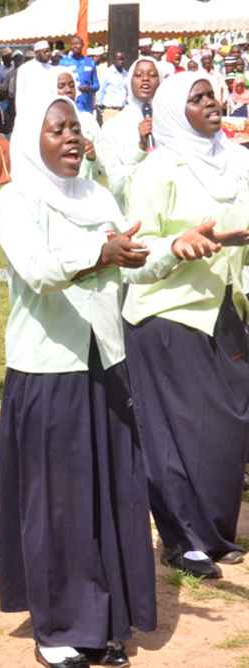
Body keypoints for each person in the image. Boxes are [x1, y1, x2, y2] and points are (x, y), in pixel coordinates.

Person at [0, 92, 168, 668]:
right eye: (56, 129)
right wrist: (100, 252)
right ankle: (59, 627)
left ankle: (103, 618)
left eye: (75, 127)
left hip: (105, 361)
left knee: (110, 493)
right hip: (49, 370)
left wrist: (178, 249)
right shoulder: (14, 201)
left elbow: (132, 257)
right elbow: (40, 271)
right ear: (31, 141)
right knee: (59, 502)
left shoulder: (97, 196)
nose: (70, 137)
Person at [123, 72, 249, 579]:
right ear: (177, 112)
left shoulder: (237, 161)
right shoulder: (157, 170)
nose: (211, 103)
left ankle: (214, 533)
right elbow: (135, 255)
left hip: (225, 305)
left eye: (212, 95)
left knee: (229, 422)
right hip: (167, 312)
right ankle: (183, 540)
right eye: (197, 99)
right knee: (174, 433)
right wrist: (176, 247)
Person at [96, 56, 160, 212]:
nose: (145, 79)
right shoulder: (112, 127)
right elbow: (116, 186)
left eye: (152, 75)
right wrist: (141, 148)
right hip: (132, 215)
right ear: (129, 81)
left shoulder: (173, 124)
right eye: (138, 75)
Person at [54, 69, 102, 180]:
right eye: (61, 86)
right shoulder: (45, 125)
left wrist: (92, 156)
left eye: (72, 86)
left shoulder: (88, 120)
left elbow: (102, 171)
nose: (68, 90)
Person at [59, 36, 100, 113]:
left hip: (86, 106)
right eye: (73, 44)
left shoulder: (90, 62)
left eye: (77, 44)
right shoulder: (63, 63)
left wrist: (89, 88)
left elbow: (96, 85)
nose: (75, 46)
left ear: (82, 45)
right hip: (69, 106)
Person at [96, 51, 128, 124]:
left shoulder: (126, 74)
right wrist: (100, 108)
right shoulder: (107, 73)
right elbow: (100, 90)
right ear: (113, 60)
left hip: (123, 111)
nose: (121, 62)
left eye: (122, 59)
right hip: (110, 111)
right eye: (118, 59)